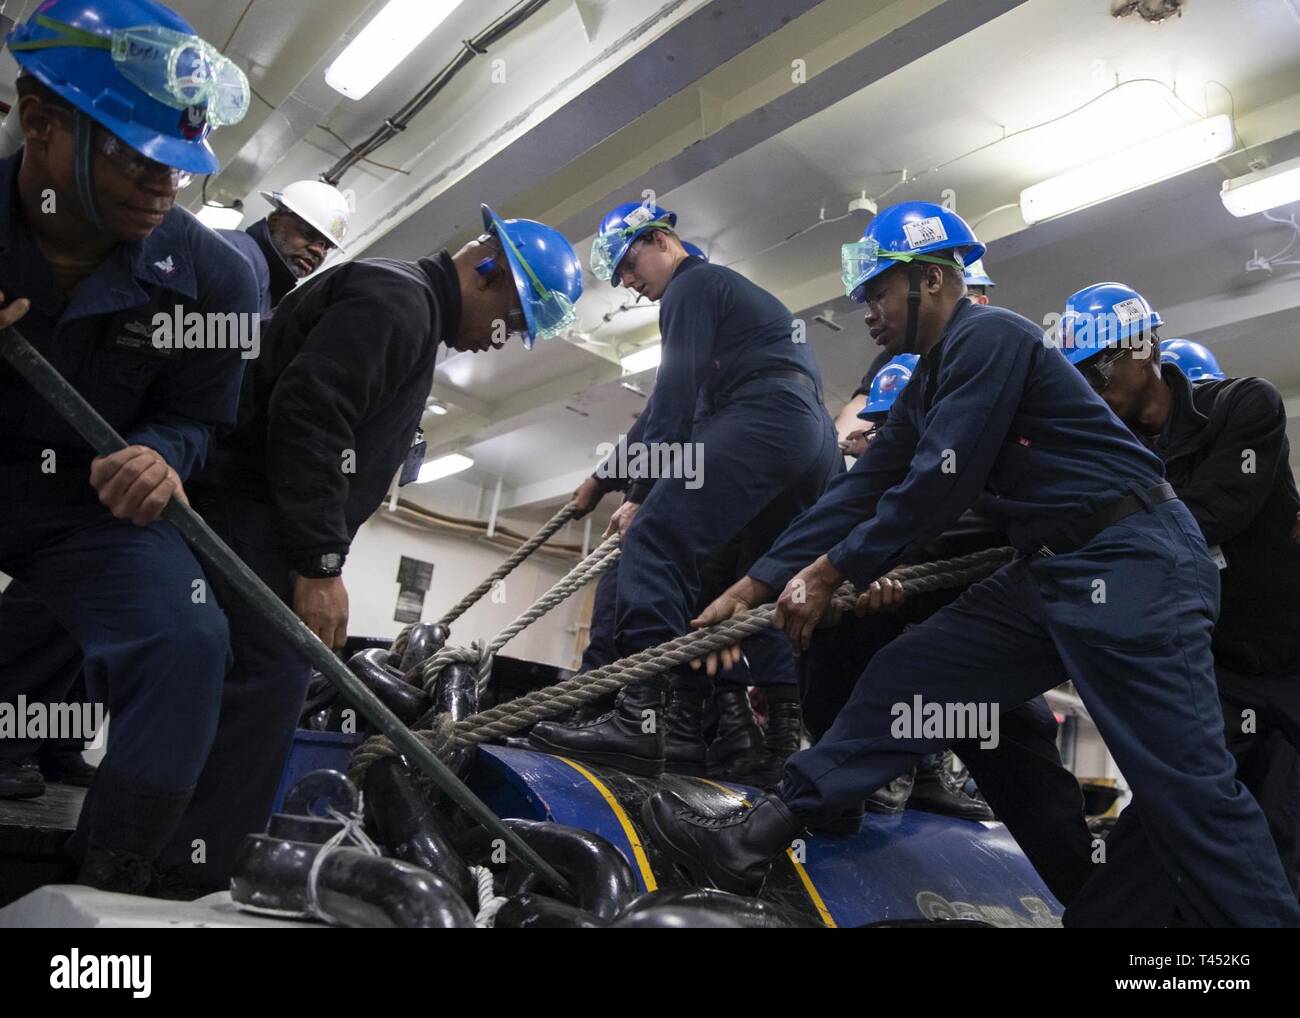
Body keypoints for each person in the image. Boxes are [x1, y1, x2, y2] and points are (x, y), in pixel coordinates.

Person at [639, 200, 1300, 927]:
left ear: (928, 282)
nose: (866, 313)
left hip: (1137, 562)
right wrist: (755, 582)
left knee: (1187, 791)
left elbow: (938, 483)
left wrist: (832, 572)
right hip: (1051, 572)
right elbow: (866, 484)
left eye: (878, 293)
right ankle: (757, 837)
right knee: (911, 674)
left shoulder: (992, 335)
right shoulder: (928, 380)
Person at [148, 206, 583, 894]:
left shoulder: (405, 305)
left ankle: (172, 850)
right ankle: (183, 872)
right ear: (488, 269)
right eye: (514, 320)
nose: (504, 339)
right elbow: (310, 415)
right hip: (251, 512)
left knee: (245, 677)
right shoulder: (397, 302)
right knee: (270, 676)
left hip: (259, 512)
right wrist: (320, 562)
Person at [0, 0, 259, 891]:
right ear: (40, 122)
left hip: (85, 511)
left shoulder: (218, 280)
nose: (162, 186)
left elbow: (196, 419)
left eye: (179, 167)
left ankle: (110, 874)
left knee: (188, 638)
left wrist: (162, 454)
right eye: (136, 156)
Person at [533, 200, 841, 778]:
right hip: (807, 438)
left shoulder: (691, 288)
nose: (628, 284)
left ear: (660, 240)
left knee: (652, 540)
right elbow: (659, 416)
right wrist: (601, 481)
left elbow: (672, 403)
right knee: (750, 582)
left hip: (765, 417)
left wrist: (639, 496)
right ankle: (777, 739)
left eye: (628, 266)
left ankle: (640, 717)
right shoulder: (731, 311)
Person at [1054, 282, 1300, 924]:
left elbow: (1214, 513)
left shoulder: (1245, 406)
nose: (1092, 380)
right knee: (1166, 827)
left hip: (1291, 666)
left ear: (1147, 348)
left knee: (1275, 840)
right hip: (1215, 676)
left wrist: (1105, 533)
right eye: (1081, 370)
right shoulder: (1109, 455)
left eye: (1103, 362)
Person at [220, 179, 351, 315]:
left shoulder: (269, 286)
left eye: (327, 246)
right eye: (308, 232)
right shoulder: (235, 255)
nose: (318, 251)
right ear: (274, 221)